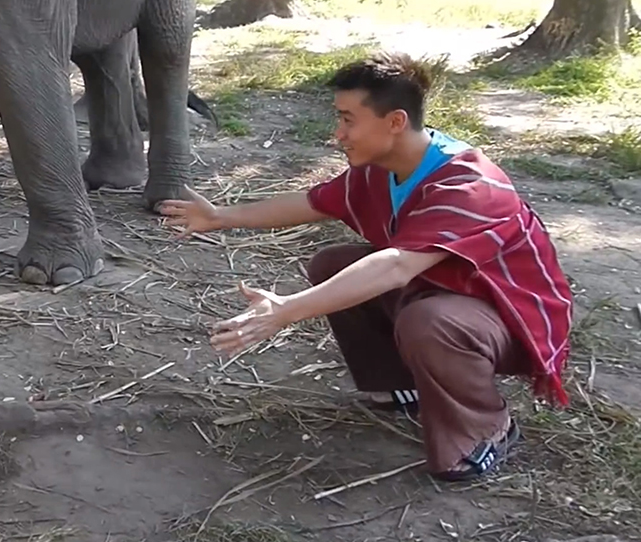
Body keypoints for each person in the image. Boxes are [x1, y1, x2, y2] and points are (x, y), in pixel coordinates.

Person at [158, 51, 573, 483]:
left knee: (428, 321)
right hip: (454, 296)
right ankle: (400, 386)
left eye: (348, 120)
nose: (338, 134)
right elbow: (313, 202)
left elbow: (395, 266)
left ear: (395, 121)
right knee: (333, 264)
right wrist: (222, 216)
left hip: (512, 321)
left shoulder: (468, 185)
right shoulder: (384, 167)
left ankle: (488, 427)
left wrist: (285, 310)